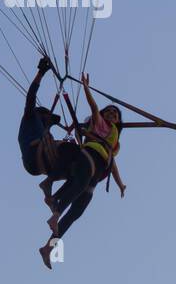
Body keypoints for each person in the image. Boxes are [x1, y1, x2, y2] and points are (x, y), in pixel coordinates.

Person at [39, 74, 127, 269]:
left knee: (77, 211)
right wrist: (86, 87)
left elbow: (113, 164)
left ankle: (48, 247)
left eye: (116, 113)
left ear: (119, 120)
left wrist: (120, 184)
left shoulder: (115, 140)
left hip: (97, 172)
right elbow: (94, 108)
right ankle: (55, 211)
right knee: (79, 184)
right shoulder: (99, 123)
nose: (112, 114)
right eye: (109, 111)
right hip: (88, 157)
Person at [18, 57, 63, 178]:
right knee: (65, 148)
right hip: (33, 154)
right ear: (42, 114)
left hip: (37, 163)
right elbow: (31, 96)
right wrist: (41, 73)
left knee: (70, 162)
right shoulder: (31, 116)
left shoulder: (43, 129)